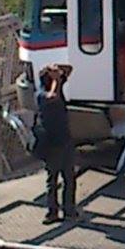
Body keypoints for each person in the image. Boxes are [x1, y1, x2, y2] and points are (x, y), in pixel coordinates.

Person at [35, 64, 77, 224]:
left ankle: (69, 209)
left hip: (65, 139)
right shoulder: (41, 94)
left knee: (69, 177)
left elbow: (69, 69)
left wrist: (56, 69)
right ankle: (52, 211)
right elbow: (53, 97)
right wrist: (56, 80)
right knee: (52, 179)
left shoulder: (56, 84)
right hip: (52, 143)